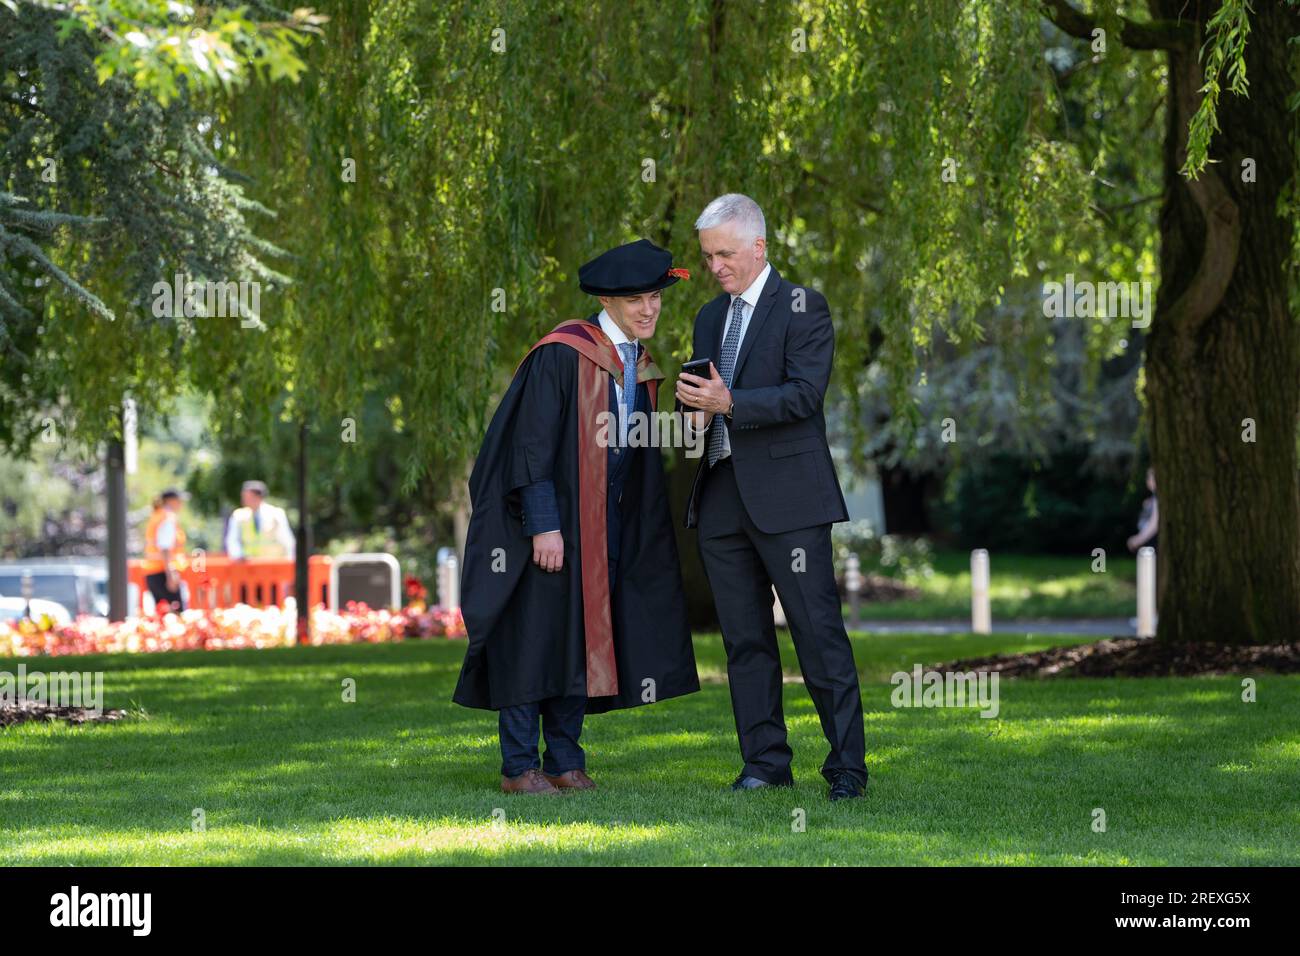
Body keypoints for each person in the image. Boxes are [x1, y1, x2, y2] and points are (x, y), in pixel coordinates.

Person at [454, 238, 700, 795]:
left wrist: (692, 423)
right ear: (607, 301)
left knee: (580, 641)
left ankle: (564, 759)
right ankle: (519, 766)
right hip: (549, 527)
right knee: (533, 639)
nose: (649, 309)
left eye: (656, 297)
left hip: (602, 528)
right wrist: (544, 524)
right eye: (636, 299)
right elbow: (529, 444)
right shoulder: (563, 353)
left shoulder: (636, 365)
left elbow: (633, 449)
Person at [675, 193, 868, 801]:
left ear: (759, 247)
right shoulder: (709, 316)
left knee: (817, 632)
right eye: (708, 256)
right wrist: (693, 416)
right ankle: (764, 764)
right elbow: (703, 400)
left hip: (790, 500)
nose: (715, 267)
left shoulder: (804, 306)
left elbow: (805, 395)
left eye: (725, 254)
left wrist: (728, 403)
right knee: (745, 640)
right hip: (721, 495)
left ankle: (847, 770)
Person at [142, 488, 188, 613]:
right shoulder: (167, 518)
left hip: (153, 572)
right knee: (176, 615)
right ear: (170, 501)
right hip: (163, 573)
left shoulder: (157, 515)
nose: (181, 504)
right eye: (179, 501)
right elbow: (165, 548)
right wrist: (171, 574)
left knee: (163, 615)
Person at [224, 480, 296, 560]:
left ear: (258, 497)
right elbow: (232, 541)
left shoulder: (276, 514)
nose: (244, 499)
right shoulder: (239, 516)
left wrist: (290, 560)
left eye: (248, 497)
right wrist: (238, 556)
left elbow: (287, 540)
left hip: (273, 563)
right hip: (249, 564)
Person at [1127, 467, 1158, 553]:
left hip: (1152, 541)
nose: (1147, 480)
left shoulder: (1158, 498)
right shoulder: (1153, 498)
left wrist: (1139, 539)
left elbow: (1155, 523)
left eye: (1150, 477)